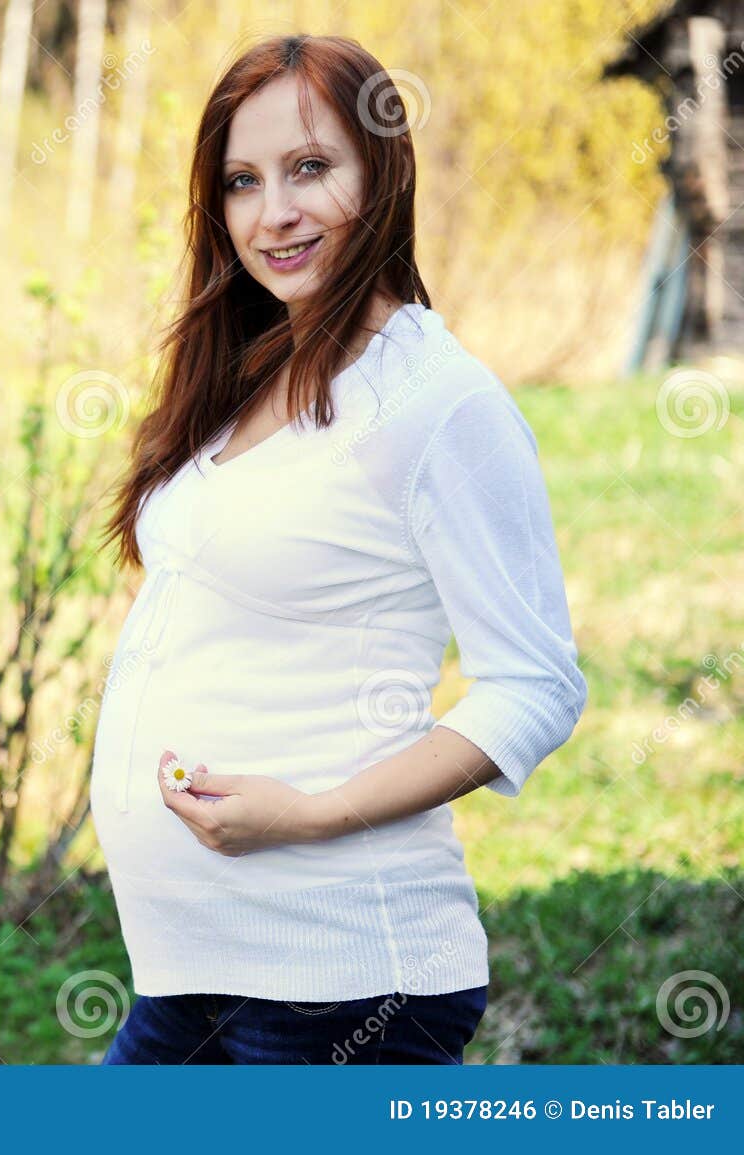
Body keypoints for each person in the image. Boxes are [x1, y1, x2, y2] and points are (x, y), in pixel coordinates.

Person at [89, 33, 588, 1064]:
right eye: (241, 180)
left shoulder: (437, 403)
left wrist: (313, 814)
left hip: (340, 991)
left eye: (310, 168)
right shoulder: (250, 369)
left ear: (382, 171)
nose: (272, 211)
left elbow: (534, 687)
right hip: (193, 976)